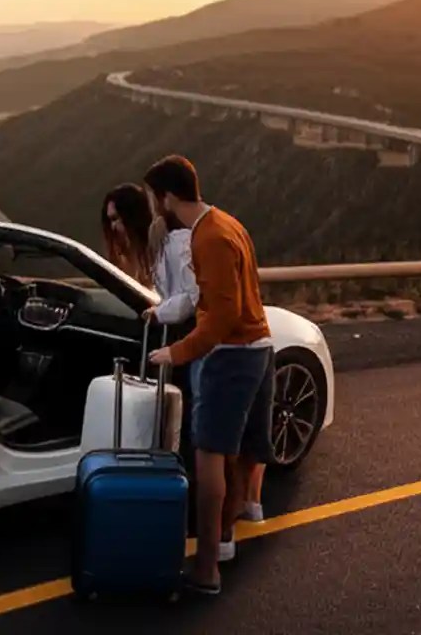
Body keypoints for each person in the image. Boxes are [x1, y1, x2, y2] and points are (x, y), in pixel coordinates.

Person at [144, 154, 274, 596]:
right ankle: (221, 543)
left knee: (210, 457)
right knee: (233, 452)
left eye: (154, 198)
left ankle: (205, 571)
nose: (154, 206)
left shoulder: (208, 239)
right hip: (257, 346)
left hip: (229, 354)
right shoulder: (226, 223)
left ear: (167, 197)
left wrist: (175, 353)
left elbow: (220, 317)